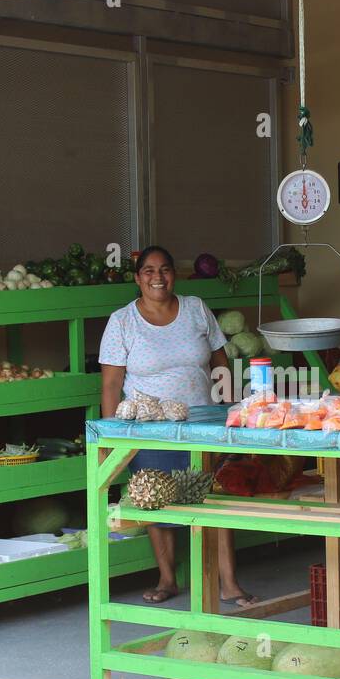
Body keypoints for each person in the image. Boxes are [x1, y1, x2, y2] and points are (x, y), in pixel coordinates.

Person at [98, 245, 258, 607]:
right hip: (148, 427)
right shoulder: (122, 321)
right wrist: (110, 436)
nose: (158, 277)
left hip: (203, 423)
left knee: (215, 500)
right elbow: (110, 384)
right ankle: (167, 578)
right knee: (157, 500)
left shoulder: (195, 309)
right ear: (138, 278)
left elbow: (219, 360)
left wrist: (234, 412)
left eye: (165, 269)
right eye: (149, 271)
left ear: (175, 274)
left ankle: (229, 583)